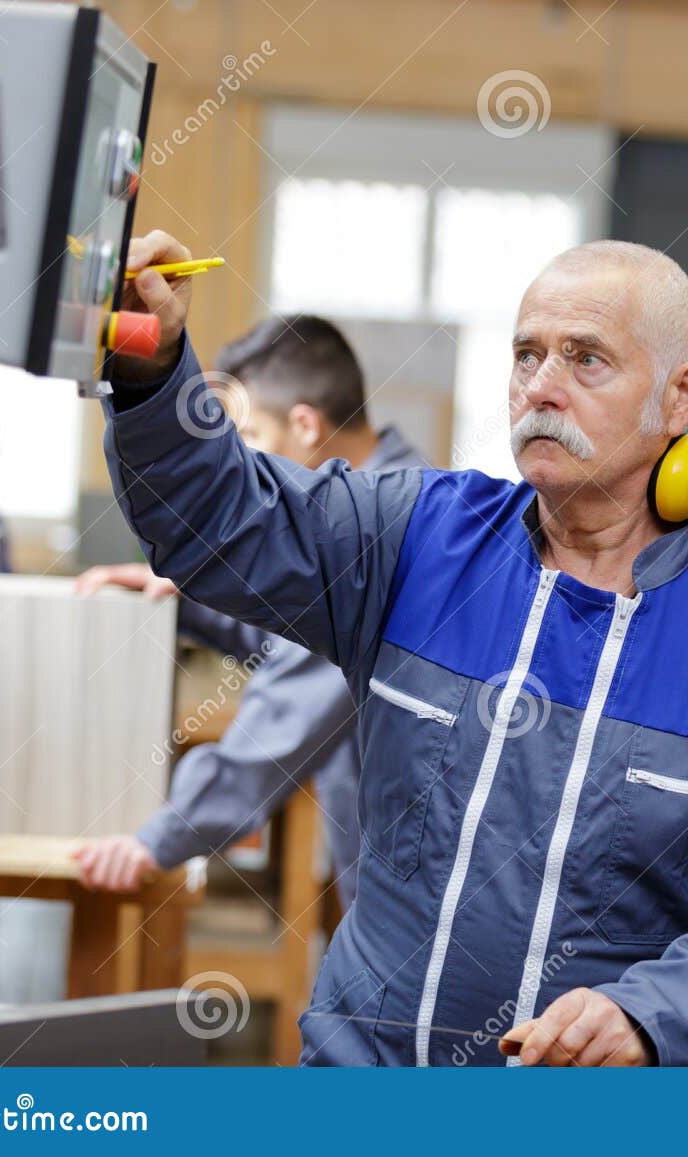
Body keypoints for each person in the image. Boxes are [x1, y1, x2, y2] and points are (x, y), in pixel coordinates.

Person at [99, 230, 688, 1067]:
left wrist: (655, 1016)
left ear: (680, 397)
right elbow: (218, 520)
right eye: (526, 355)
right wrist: (150, 363)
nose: (541, 387)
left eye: (585, 359)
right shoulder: (416, 537)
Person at [70, 315, 423, 909]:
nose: (244, 465)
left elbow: (282, 716)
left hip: (413, 895)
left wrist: (159, 838)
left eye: (252, 437)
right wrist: (187, 600)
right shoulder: (394, 491)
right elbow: (305, 632)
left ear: (306, 426)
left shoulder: (381, 535)